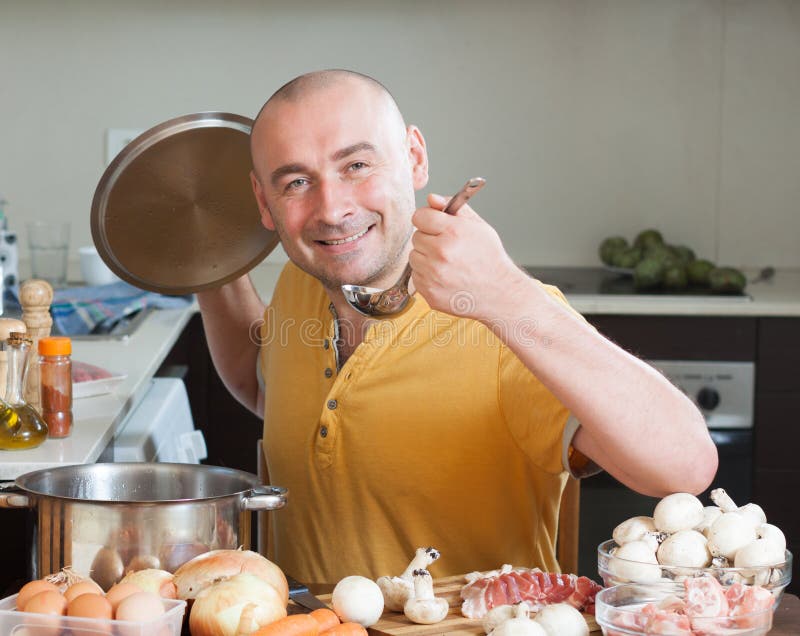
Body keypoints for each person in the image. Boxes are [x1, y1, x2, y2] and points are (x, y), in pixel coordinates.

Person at [197, 69, 717, 584]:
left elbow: (685, 466)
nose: (332, 209)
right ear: (264, 203)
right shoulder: (301, 281)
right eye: (296, 182)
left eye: (356, 164)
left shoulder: (506, 324)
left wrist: (505, 294)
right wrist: (199, 258)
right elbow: (268, 390)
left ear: (415, 158)